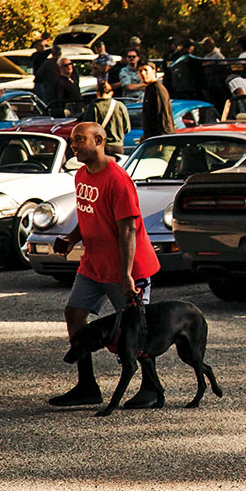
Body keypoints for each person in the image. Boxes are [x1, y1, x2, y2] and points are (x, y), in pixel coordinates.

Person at [45, 121, 160, 408]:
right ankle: (87, 386)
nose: (74, 146)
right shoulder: (82, 175)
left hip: (127, 268)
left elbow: (128, 230)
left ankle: (151, 388)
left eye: (80, 140)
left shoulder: (117, 179)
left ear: (99, 140)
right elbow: (88, 214)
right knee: (74, 313)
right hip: (93, 263)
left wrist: (126, 277)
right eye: (72, 141)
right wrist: (71, 240)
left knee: (135, 328)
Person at [88, 78, 131, 152]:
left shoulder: (93, 107)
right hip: (118, 146)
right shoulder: (120, 106)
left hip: (101, 147)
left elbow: (87, 128)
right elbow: (127, 128)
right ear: (111, 93)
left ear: (97, 93)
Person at [137, 62, 173, 140]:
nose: (143, 73)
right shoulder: (149, 88)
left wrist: (162, 139)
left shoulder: (157, 89)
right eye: (140, 71)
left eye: (146, 70)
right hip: (152, 138)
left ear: (154, 71)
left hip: (162, 139)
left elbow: (163, 116)